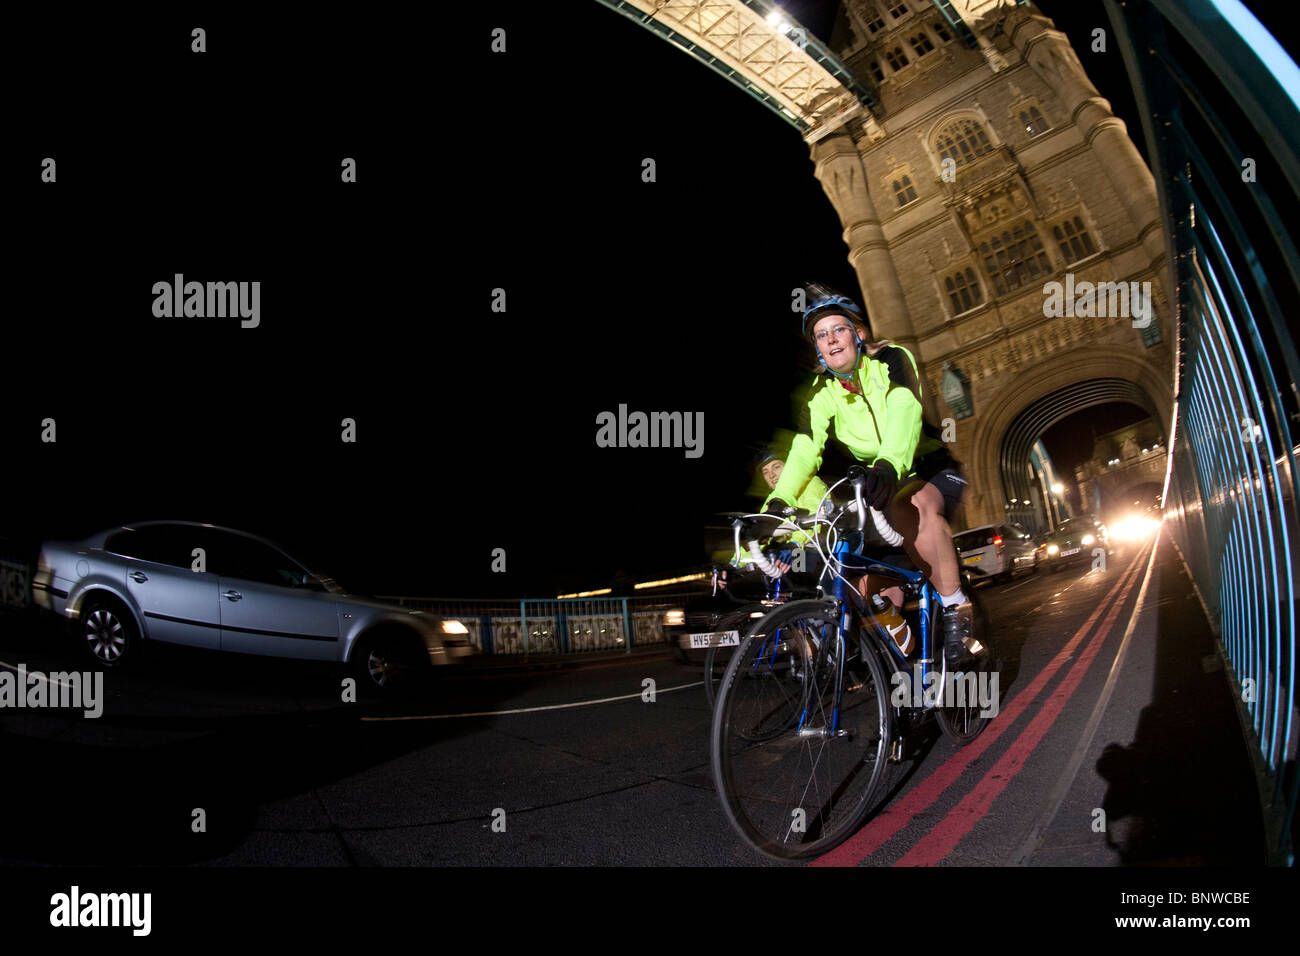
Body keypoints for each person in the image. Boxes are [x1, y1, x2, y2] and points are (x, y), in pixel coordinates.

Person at [764, 284, 977, 664]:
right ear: (817, 349)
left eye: (838, 329)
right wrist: (777, 504)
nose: (831, 339)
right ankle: (908, 663)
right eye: (821, 335)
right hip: (877, 484)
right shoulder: (820, 393)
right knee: (864, 579)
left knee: (913, 504)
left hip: (926, 468)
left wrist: (888, 466)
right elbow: (804, 450)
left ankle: (956, 608)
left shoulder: (893, 358)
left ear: (858, 334)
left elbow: (903, 408)